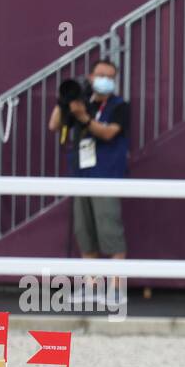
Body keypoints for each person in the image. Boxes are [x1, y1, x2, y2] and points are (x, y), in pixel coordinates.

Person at [47, 59, 130, 299]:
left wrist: (84, 118)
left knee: (110, 231)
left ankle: (116, 289)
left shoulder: (119, 106)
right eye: (100, 74)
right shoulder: (82, 104)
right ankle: (91, 286)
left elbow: (108, 133)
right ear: (91, 77)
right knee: (85, 232)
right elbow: (54, 125)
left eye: (110, 76)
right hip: (81, 176)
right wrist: (65, 101)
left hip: (106, 177)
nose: (104, 80)